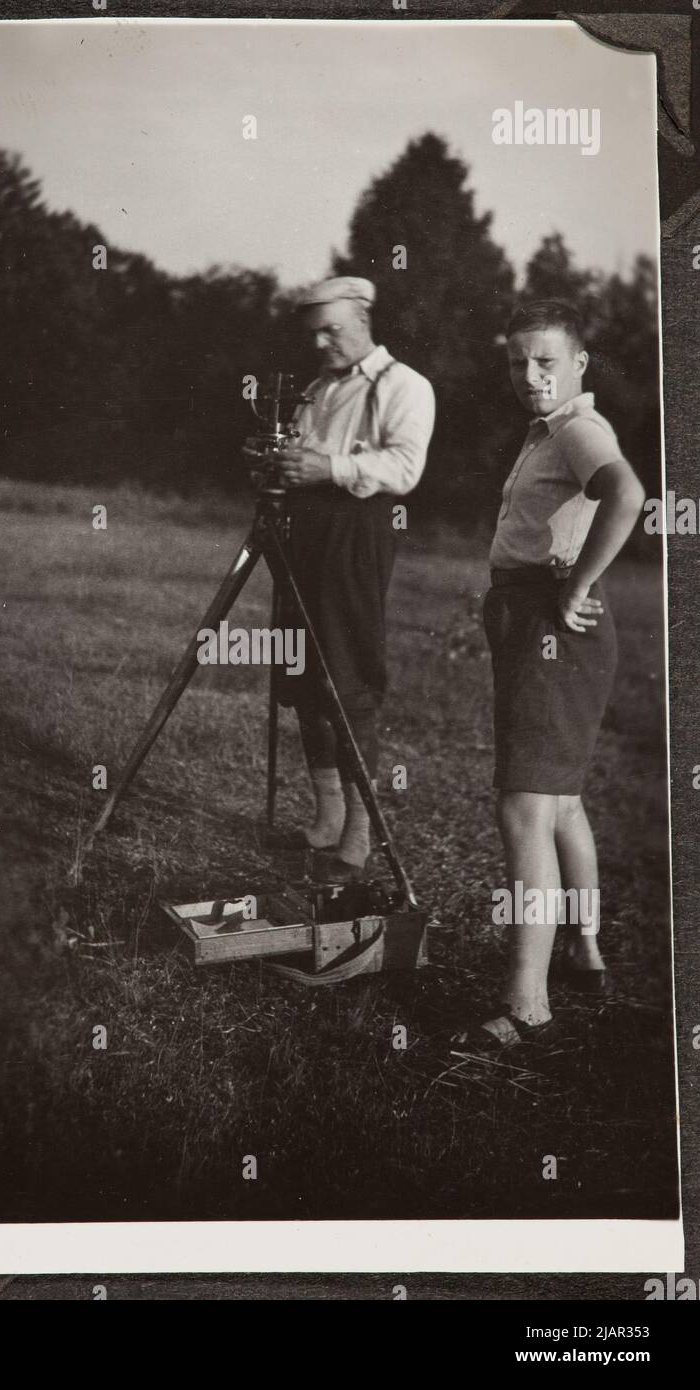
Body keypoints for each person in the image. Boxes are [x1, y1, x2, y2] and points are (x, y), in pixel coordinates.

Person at [455, 298, 646, 1050]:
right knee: (560, 803)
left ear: (578, 365)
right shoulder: (549, 429)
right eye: (517, 362)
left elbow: (627, 494)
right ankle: (582, 948)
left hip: (552, 625)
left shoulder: (576, 428)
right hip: (534, 620)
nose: (530, 375)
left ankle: (526, 1004)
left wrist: (575, 587)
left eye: (546, 361)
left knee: (523, 809)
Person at [269, 276, 435, 874]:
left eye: (331, 330)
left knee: (347, 681)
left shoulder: (403, 384)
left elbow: (406, 467)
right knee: (300, 674)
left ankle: (359, 836)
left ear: (363, 320)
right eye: (313, 333)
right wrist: (276, 463)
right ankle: (328, 819)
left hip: (355, 534)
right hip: (302, 532)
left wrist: (328, 468)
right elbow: (301, 459)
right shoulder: (317, 388)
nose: (320, 343)